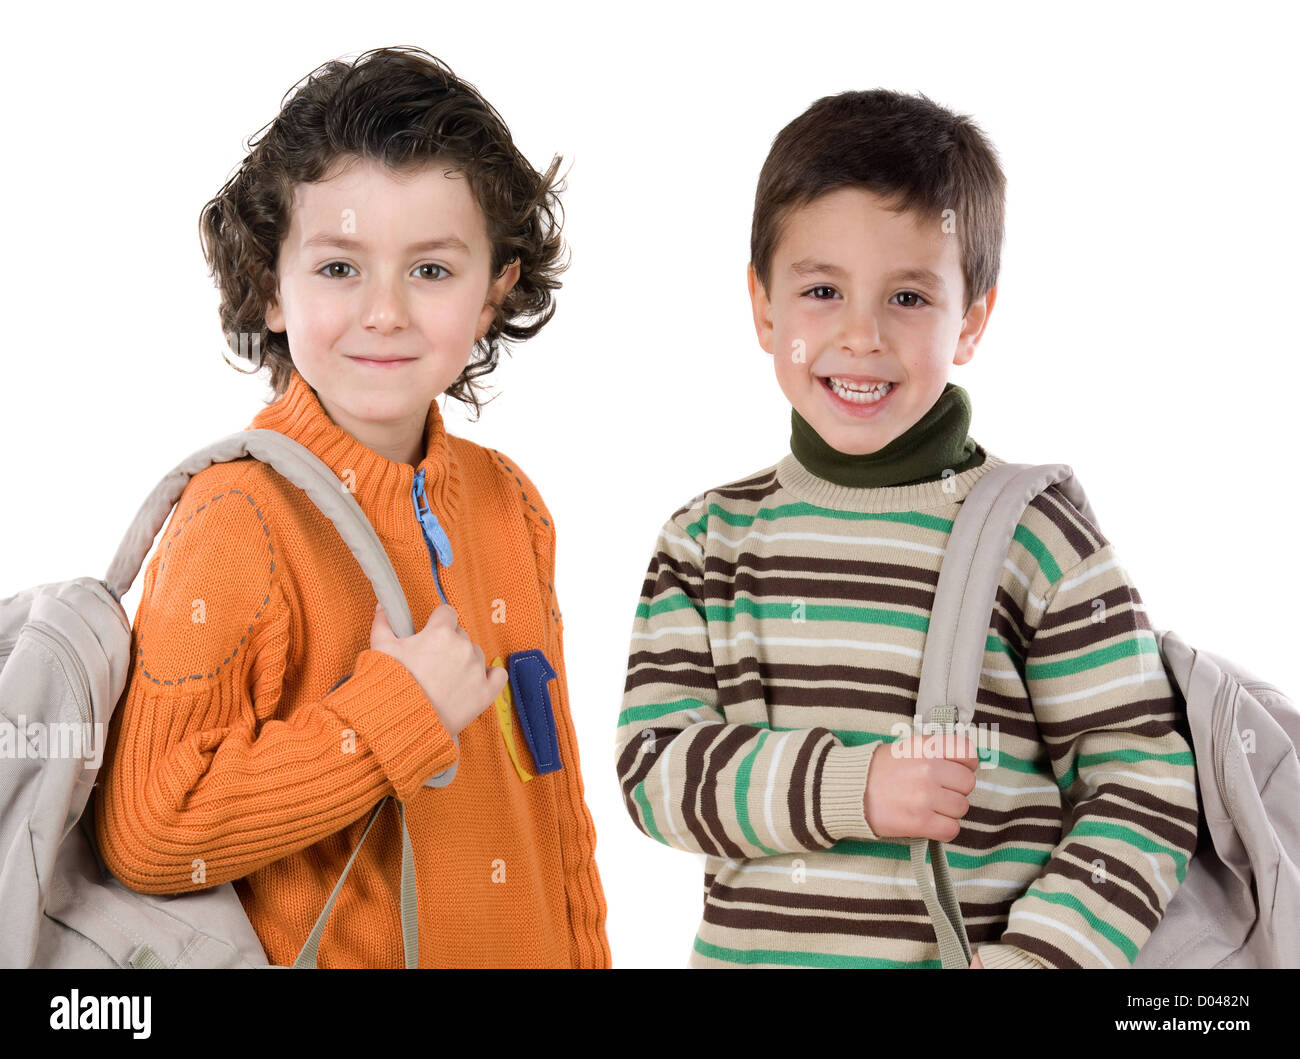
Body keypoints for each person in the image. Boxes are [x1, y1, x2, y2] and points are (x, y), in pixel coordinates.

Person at [615, 89, 1198, 969]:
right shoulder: (705, 542)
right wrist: (856, 788)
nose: (860, 334)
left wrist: (1034, 961)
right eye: (821, 290)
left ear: (971, 319)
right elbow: (657, 770)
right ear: (764, 309)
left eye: (909, 298)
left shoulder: (1036, 536)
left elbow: (1141, 784)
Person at [95, 45, 608, 968]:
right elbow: (150, 827)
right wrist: (397, 714)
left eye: (432, 271)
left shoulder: (510, 505)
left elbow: (554, 805)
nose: (384, 312)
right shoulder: (238, 514)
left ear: (495, 289)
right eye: (339, 268)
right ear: (269, 287)